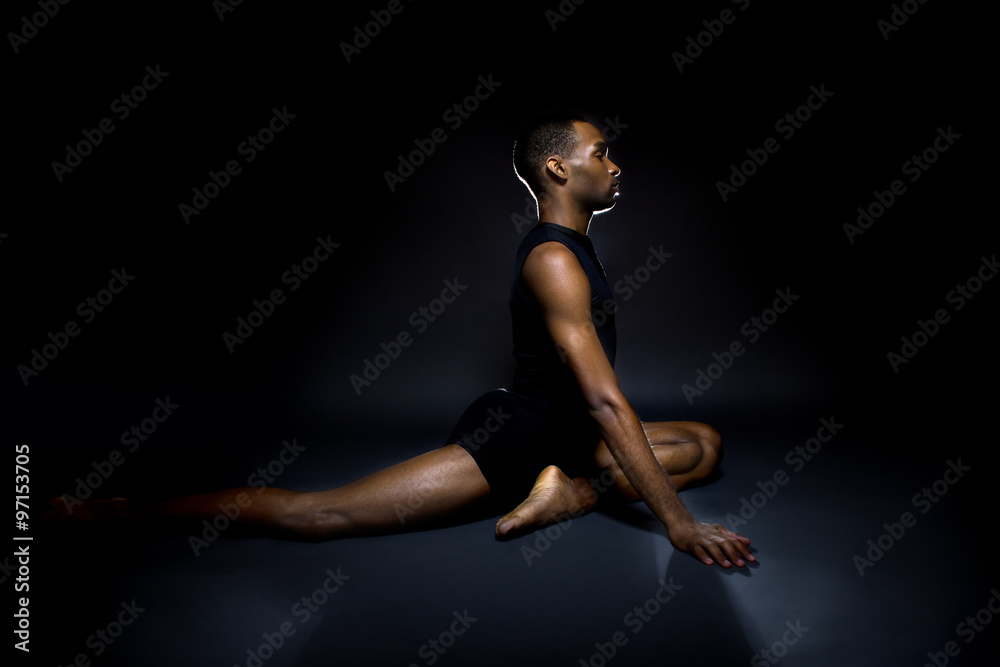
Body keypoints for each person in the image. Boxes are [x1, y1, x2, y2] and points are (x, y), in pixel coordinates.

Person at [52, 114, 754, 569]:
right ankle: (115, 511)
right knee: (321, 513)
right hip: (516, 439)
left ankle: (567, 493)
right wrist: (680, 526)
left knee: (703, 443)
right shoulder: (555, 260)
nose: (616, 164)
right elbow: (603, 400)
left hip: (566, 439)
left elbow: (598, 407)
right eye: (601, 153)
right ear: (558, 169)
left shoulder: (575, 246)